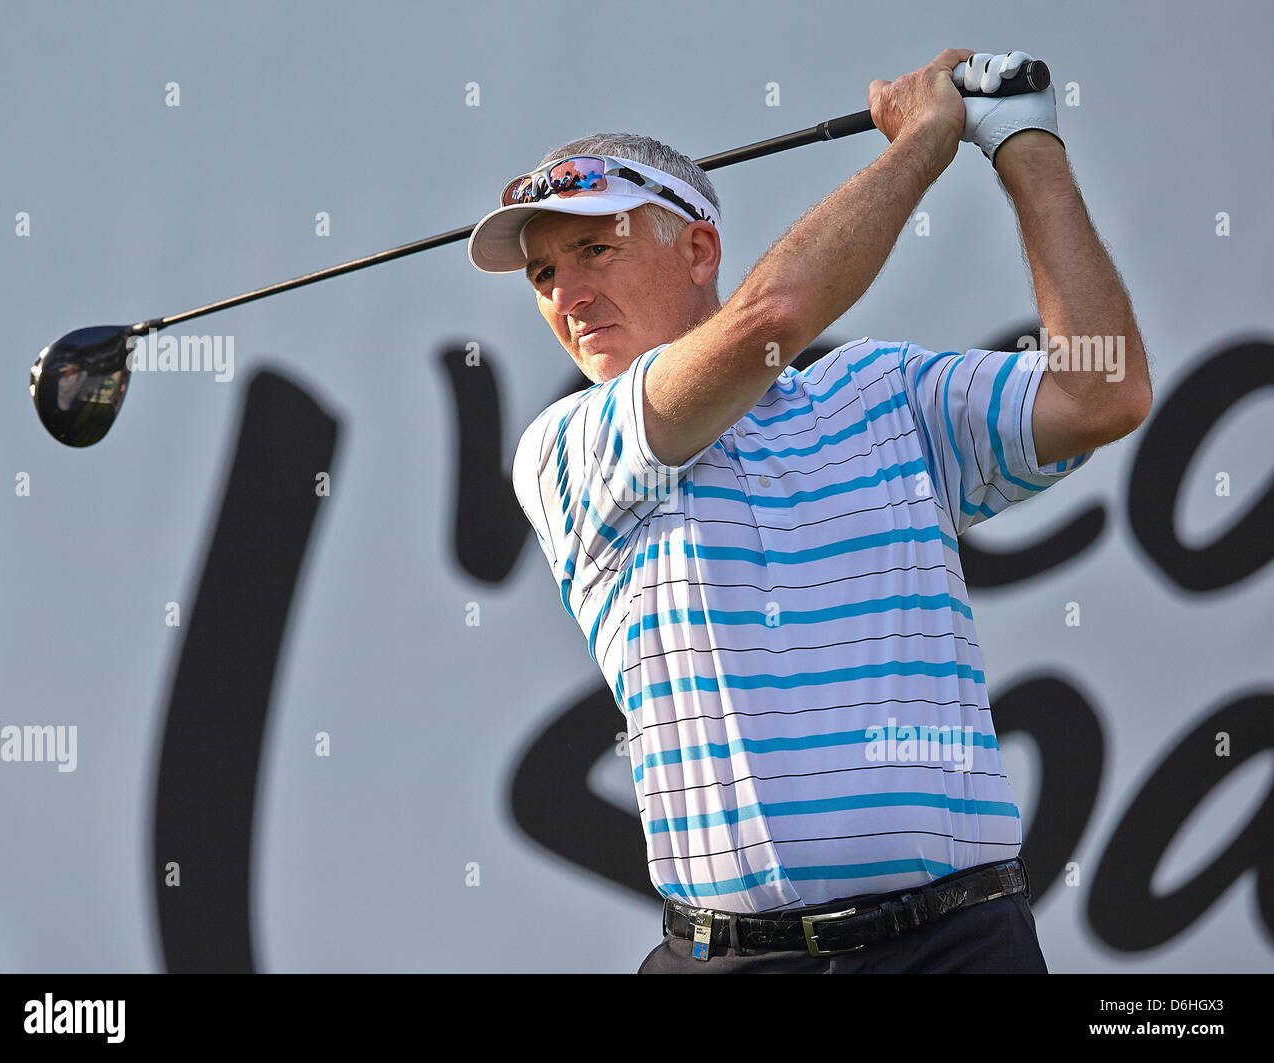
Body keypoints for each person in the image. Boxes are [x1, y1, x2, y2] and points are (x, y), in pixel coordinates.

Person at [467, 49, 1152, 973]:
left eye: (595, 247)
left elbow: (1104, 390)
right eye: (543, 274)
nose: (568, 294)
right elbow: (770, 319)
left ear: (698, 247)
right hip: (736, 959)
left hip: (958, 948)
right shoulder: (568, 449)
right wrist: (922, 145)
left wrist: (1024, 142)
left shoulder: (882, 392)